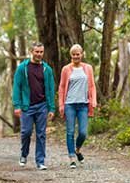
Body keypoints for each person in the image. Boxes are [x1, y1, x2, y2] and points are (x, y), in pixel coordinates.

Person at [12, 42, 56, 170]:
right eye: (37, 52)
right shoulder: (22, 68)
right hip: (27, 106)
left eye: (41, 52)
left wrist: (51, 107)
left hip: (42, 106)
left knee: (41, 134)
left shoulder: (47, 69)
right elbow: (17, 86)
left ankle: (40, 161)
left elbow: (50, 89)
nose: (39, 54)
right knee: (26, 132)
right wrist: (17, 105)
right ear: (31, 51)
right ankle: (24, 154)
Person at [58, 44, 97, 169]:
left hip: (83, 104)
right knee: (70, 131)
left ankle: (77, 149)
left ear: (82, 54)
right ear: (71, 55)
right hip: (69, 103)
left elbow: (92, 86)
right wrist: (61, 104)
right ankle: (72, 158)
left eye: (78, 54)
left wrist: (93, 100)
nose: (76, 56)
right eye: (74, 54)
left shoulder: (88, 68)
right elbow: (62, 87)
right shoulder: (66, 69)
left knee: (83, 132)